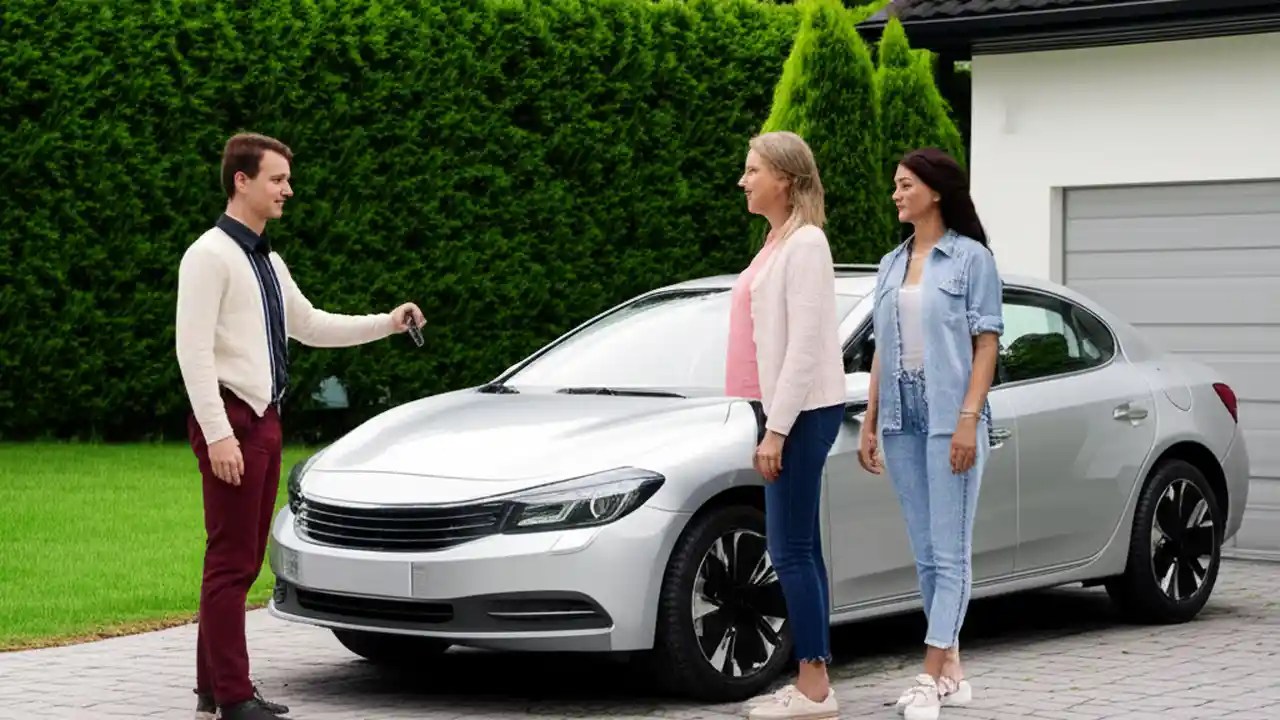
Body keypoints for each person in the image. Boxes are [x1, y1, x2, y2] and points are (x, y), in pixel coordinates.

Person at [176, 132, 425, 720]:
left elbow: (310, 325)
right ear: (241, 181)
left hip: (265, 420)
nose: (288, 189)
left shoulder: (267, 259)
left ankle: (214, 689)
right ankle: (234, 698)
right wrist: (218, 433)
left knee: (237, 561)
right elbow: (193, 351)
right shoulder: (208, 255)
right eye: (277, 179)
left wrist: (387, 322)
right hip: (234, 421)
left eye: (287, 179)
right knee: (232, 563)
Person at [857, 147, 1004, 720]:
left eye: (905, 185)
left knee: (951, 553)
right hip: (902, 418)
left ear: (936, 191)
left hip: (950, 416)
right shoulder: (890, 264)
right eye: (895, 185)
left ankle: (927, 674)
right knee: (925, 555)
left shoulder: (971, 259)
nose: (896, 194)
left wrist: (969, 418)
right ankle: (953, 674)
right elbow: (880, 349)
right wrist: (871, 419)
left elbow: (986, 344)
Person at [728, 131, 846, 720]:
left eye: (753, 170)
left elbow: (803, 347)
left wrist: (776, 431)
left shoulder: (807, 244)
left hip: (799, 413)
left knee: (789, 550)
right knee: (802, 548)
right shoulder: (778, 242)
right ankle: (815, 680)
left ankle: (814, 688)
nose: (743, 180)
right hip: (782, 410)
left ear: (786, 178)